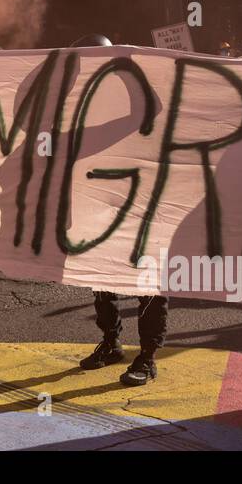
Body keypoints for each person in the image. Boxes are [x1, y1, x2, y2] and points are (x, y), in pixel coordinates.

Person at [69, 34, 167, 385]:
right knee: (100, 276)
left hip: (139, 202)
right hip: (97, 203)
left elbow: (152, 111)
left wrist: (124, 67)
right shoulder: (82, 98)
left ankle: (148, 356)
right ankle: (111, 342)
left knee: (148, 280)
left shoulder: (134, 92)